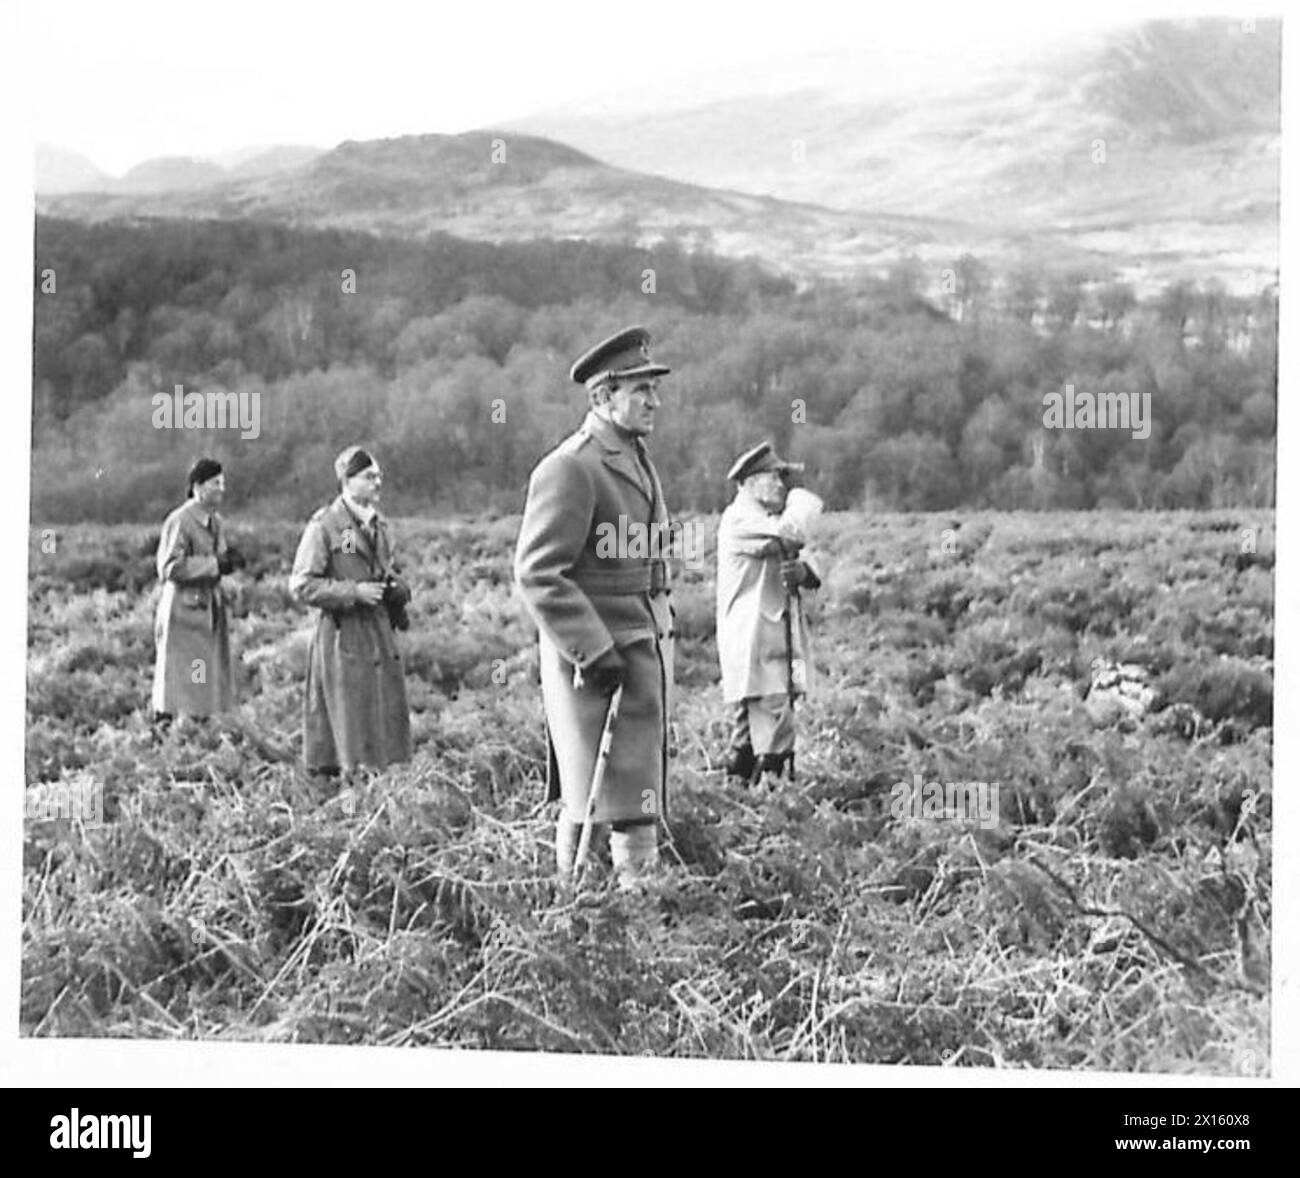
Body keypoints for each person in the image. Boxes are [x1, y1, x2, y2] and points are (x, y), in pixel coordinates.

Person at [514, 326, 676, 886]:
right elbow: (538, 572)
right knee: (597, 799)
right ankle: (577, 912)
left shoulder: (634, 457)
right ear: (604, 396)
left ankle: (632, 921)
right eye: (641, 390)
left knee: (632, 796)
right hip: (596, 666)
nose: (654, 401)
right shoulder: (571, 466)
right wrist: (592, 647)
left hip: (638, 650)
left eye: (654, 389)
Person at [289, 446, 412, 781]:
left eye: (379, 476)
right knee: (349, 729)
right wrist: (352, 592)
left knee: (383, 726)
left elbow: (389, 571)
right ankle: (350, 800)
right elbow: (301, 585)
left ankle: (381, 793)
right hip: (343, 636)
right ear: (348, 480)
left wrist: (397, 589)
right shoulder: (325, 526)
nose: (378, 482)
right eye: (369, 476)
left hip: (380, 636)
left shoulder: (381, 526)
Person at [715, 442, 823, 784]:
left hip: (771, 634)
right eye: (775, 478)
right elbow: (792, 534)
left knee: (750, 723)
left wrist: (804, 572)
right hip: (754, 636)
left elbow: (803, 554)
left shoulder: (765, 519)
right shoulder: (740, 518)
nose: (782, 486)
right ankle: (774, 800)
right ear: (750, 482)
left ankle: (737, 792)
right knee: (775, 714)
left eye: (784, 480)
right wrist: (803, 497)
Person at [151, 457, 245, 722]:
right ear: (198, 486)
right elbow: (170, 567)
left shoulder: (217, 522)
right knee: (180, 681)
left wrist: (229, 571)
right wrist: (215, 565)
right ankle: (172, 730)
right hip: (184, 613)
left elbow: (220, 563)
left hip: (208, 610)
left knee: (202, 678)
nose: (221, 489)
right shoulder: (180, 521)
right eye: (215, 483)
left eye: (222, 483)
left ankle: (196, 730)